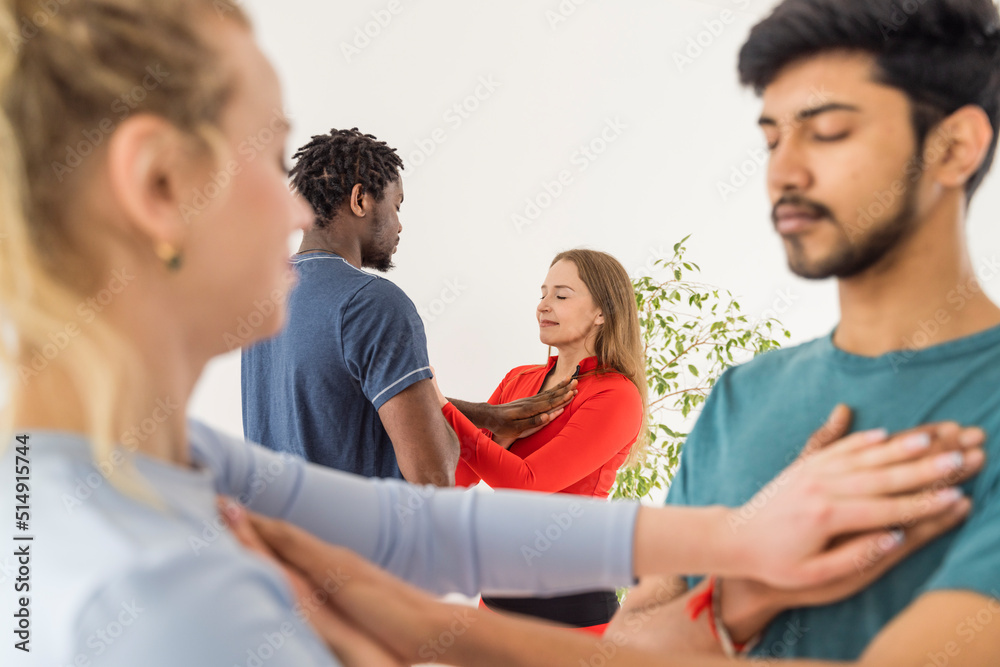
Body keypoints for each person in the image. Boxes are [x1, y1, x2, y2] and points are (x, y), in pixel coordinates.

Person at [0, 0, 986, 666]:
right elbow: (466, 498)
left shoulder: (138, 463)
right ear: (158, 184)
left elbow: (425, 523)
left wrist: (736, 545)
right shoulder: (163, 597)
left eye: (828, 131)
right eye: (269, 154)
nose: (294, 206)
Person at [608, 0, 1000, 663]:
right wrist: (748, 586)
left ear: (954, 147)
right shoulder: (740, 397)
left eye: (828, 133)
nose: (782, 174)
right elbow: (623, 647)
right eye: (772, 140)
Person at [241, 128, 573, 485]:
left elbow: (338, 400)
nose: (400, 225)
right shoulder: (373, 303)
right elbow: (433, 477)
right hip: (363, 524)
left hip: (272, 520)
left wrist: (485, 415)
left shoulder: (264, 295)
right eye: (396, 205)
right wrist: (455, 428)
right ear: (360, 200)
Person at [438, 249, 648, 633]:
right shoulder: (519, 379)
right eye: (542, 293)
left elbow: (527, 483)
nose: (543, 306)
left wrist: (443, 407)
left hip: (573, 620)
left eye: (561, 295)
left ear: (602, 312)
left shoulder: (616, 395)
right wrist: (495, 432)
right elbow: (457, 480)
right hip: (495, 603)